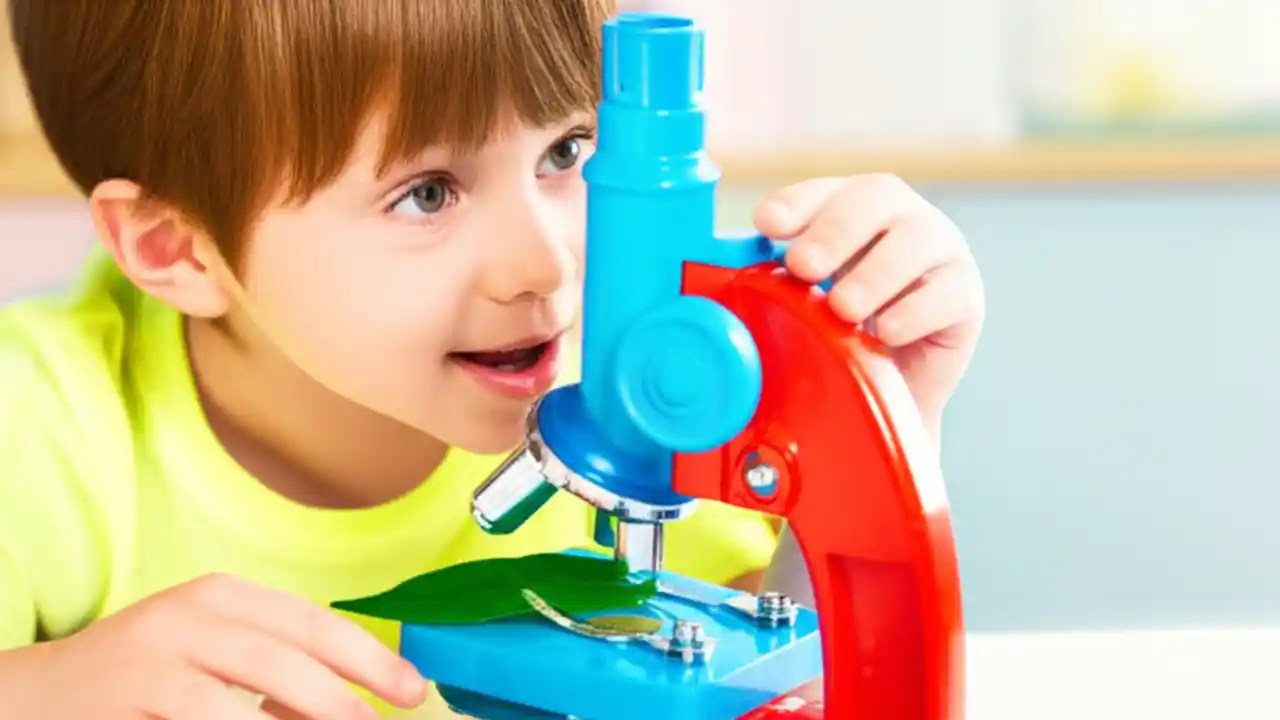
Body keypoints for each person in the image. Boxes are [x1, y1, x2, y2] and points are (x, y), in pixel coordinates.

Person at [0, 1, 985, 717]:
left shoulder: (627, 410)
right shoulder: (36, 430)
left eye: (565, 152)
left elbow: (791, 664)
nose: (547, 265)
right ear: (178, 248)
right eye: (426, 193)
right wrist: (45, 693)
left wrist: (880, 432)